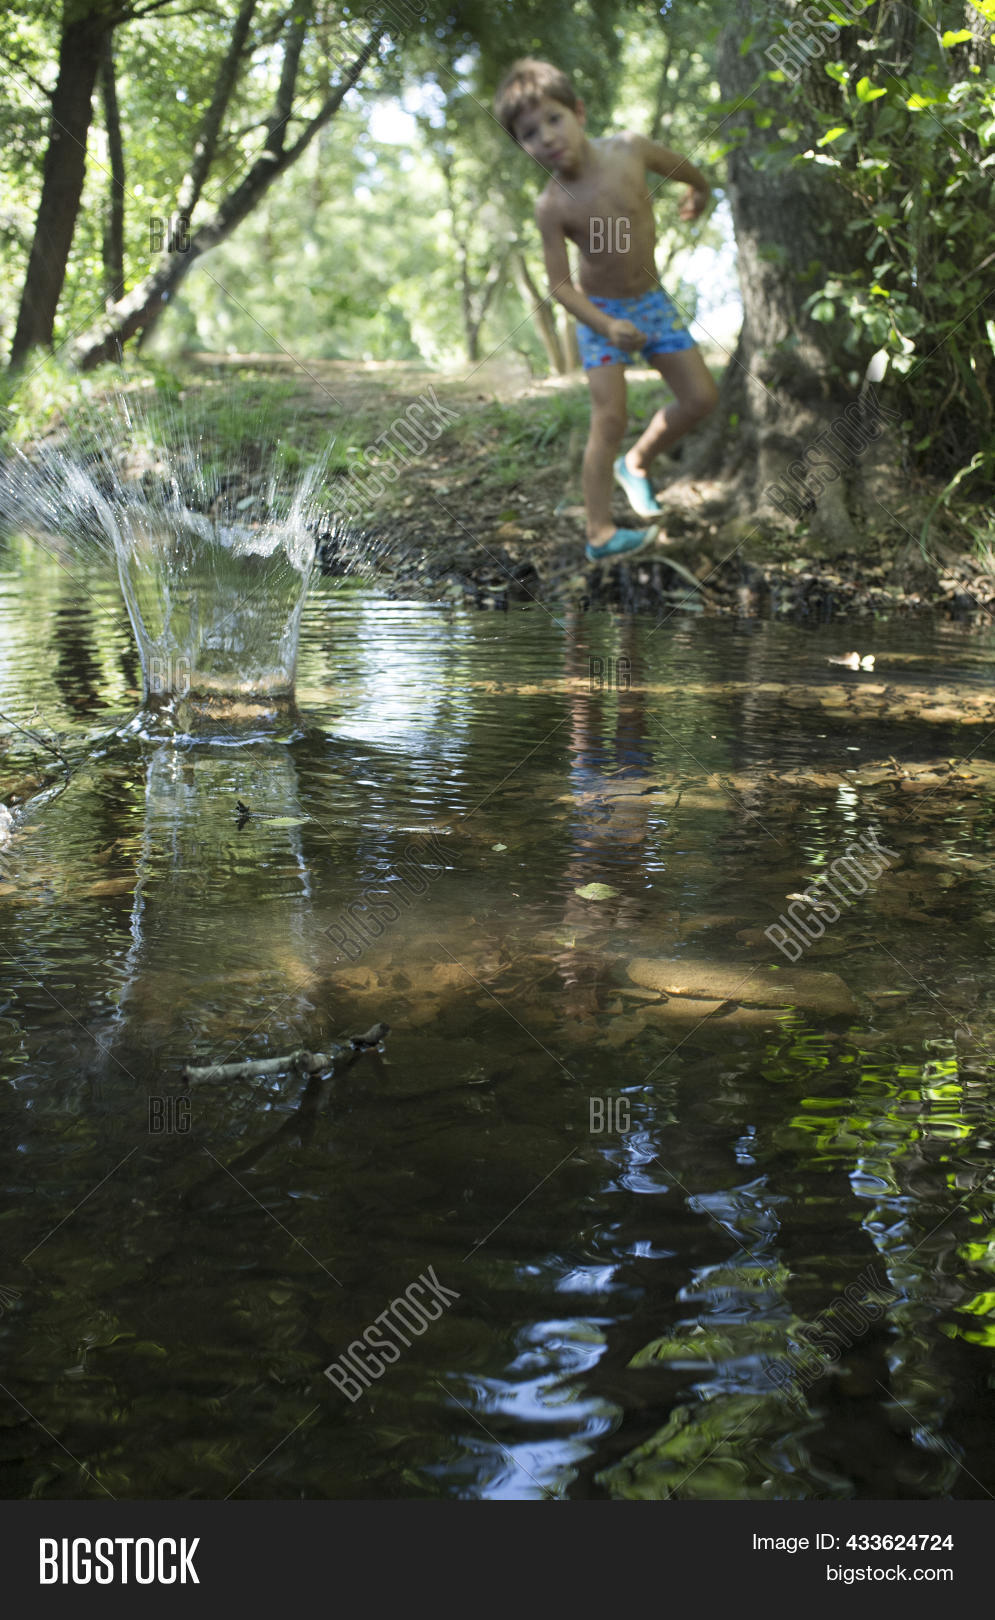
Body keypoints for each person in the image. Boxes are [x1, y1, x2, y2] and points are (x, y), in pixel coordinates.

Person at [494, 58, 719, 561]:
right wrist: (605, 323)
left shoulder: (629, 150)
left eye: (554, 119)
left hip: (653, 302)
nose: (547, 137)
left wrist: (700, 188)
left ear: (578, 111)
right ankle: (599, 533)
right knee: (609, 418)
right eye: (530, 134)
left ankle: (636, 463)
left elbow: (680, 165)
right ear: (523, 147)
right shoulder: (552, 204)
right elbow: (559, 286)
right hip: (598, 314)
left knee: (701, 398)